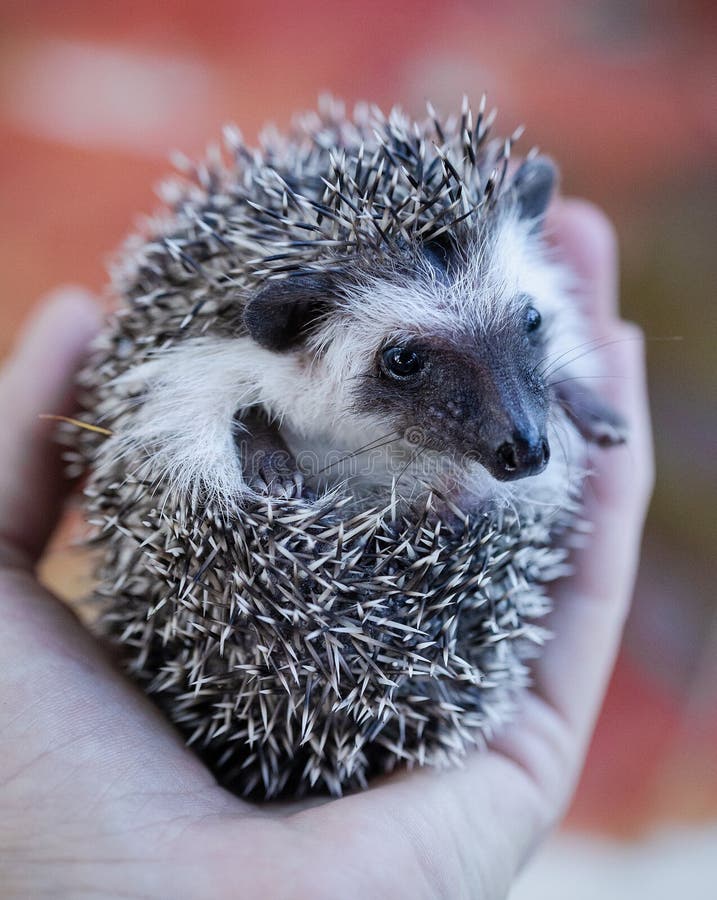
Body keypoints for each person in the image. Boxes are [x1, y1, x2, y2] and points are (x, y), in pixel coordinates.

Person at [0, 199, 653, 899]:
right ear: (294, 334)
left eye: (524, 327)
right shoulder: (212, 396)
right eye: (406, 361)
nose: (520, 427)